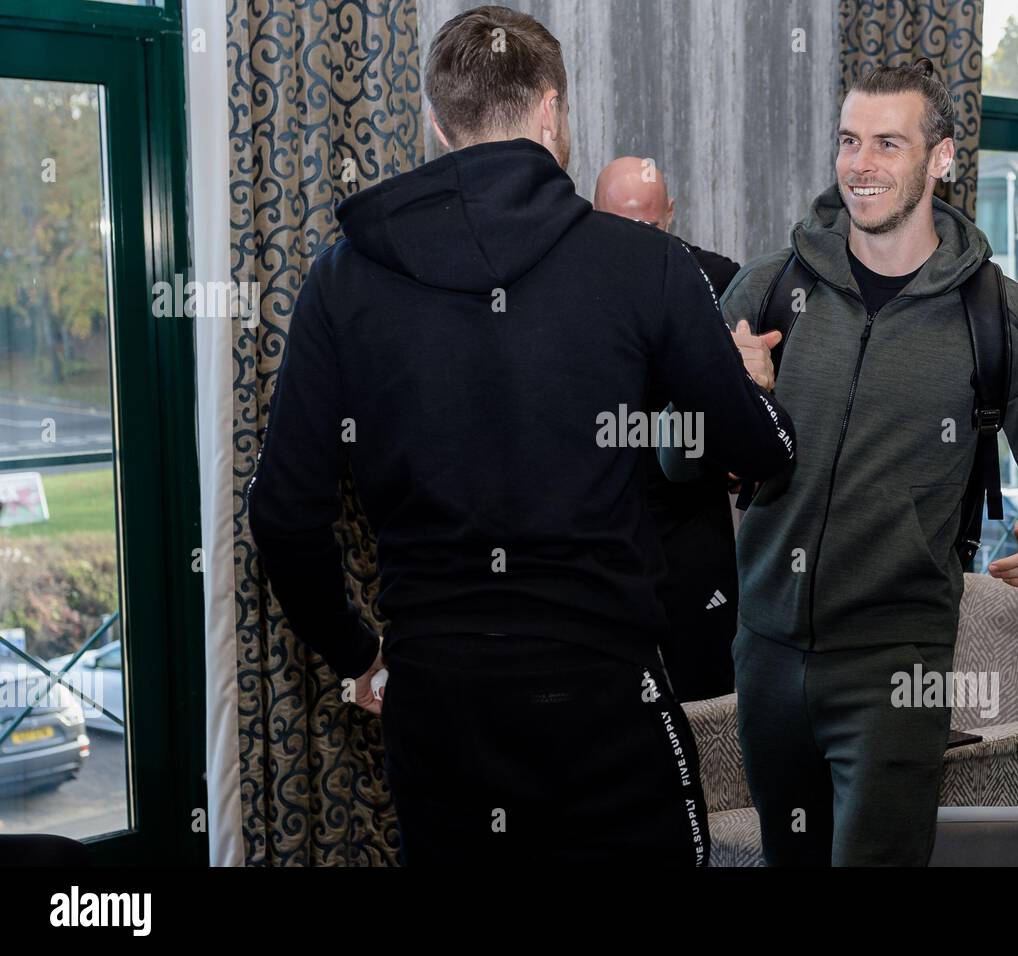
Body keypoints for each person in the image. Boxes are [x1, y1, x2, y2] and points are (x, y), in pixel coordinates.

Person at [247, 4, 796, 867]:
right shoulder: (644, 262)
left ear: (435, 122)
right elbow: (764, 453)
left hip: (437, 701)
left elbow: (282, 515)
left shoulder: (342, 278)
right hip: (604, 694)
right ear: (552, 112)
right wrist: (757, 386)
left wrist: (360, 654)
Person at [666, 59, 1018, 866]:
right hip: (765, 658)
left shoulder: (998, 317)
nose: (859, 163)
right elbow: (669, 457)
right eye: (848, 140)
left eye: (887, 143)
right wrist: (728, 401)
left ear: (940, 158)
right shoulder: (767, 290)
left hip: (899, 671)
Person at [593, 156, 746, 701]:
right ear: (593, 215)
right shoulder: (567, 286)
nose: (637, 240)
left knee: (708, 694)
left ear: (672, 214)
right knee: (610, 701)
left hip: (691, 521)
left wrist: (739, 452)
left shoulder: (721, 281)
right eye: (620, 224)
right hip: (601, 525)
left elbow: (768, 400)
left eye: (650, 226)